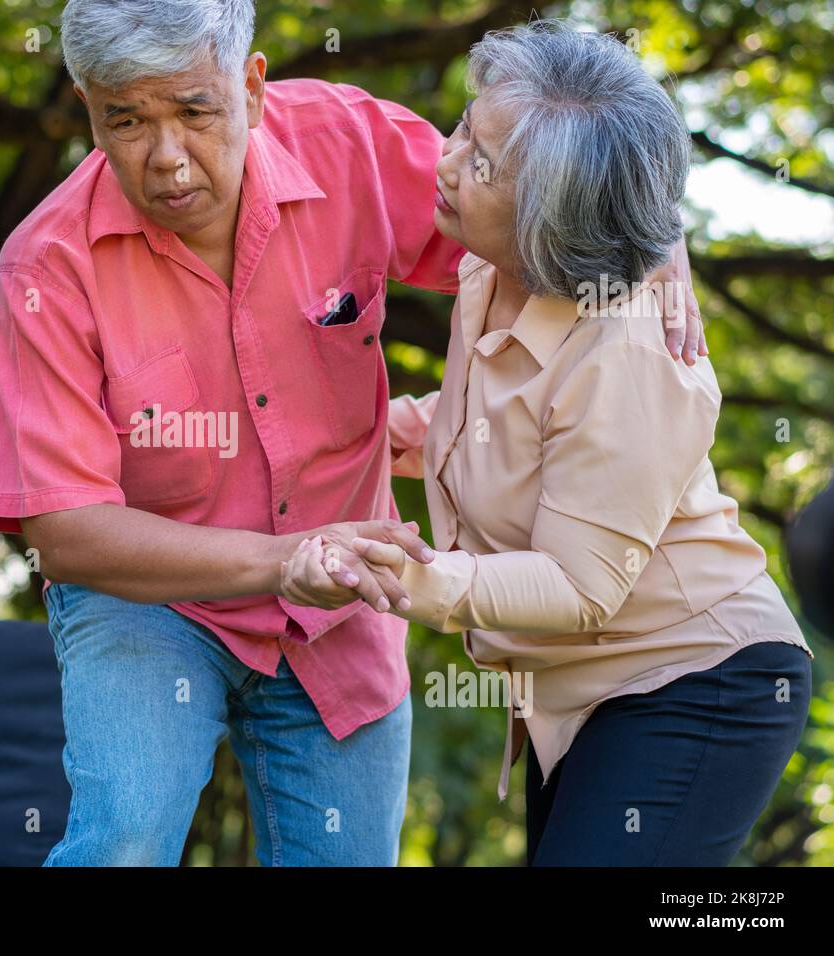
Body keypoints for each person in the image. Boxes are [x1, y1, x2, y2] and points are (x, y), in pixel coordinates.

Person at [0, 1, 702, 866]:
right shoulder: (44, 265)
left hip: (338, 607)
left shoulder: (348, 141)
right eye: (123, 120)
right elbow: (64, 531)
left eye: (195, 112)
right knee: (124, 840)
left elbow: (533, 206)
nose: (164, 158)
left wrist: (652, 240)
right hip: (153, 601)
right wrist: (282, 560)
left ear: (251, 87)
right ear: (87, 105)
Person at [283, 20, 813, 866]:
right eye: (462, 127)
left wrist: (418, 578)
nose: (447, 161)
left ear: (550, 217)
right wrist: (348, 435)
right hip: (569, 696)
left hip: (693, 682)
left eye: (483, 163)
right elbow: (482, 426)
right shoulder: (486, 268)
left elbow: (576, 585)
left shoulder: (631, 348)